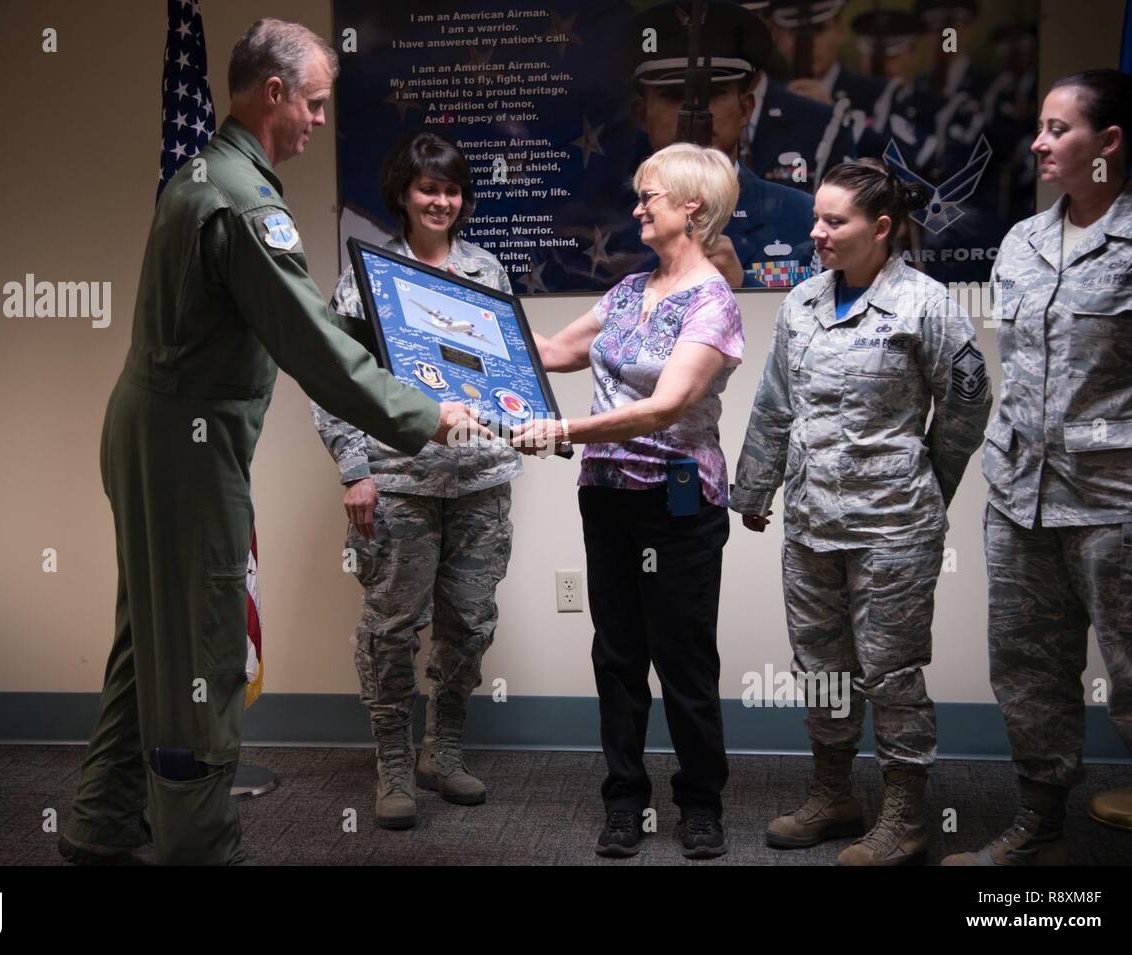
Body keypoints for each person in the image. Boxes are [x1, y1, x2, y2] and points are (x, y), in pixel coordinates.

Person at [58, 19, 489, 867]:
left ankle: (105, 817)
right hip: (187, 447)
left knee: (151, 634)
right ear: (274, 93)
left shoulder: (207, 174)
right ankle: (200, 845)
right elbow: (313, 345)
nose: (321, 121)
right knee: (202, 648)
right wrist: (424, 412)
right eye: (317, 104)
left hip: (154, 429)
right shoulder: (243, 200)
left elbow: (312, 330)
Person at [731, 158, 991, 866]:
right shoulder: (803, 302)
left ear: (880, 228)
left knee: (892, 669)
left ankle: (906, 815)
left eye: (833, 221)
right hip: (811, 523)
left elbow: (968, 402)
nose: (816, 232)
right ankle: (834, 793)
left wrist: (929, 484)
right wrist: (755, 491)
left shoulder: (927, 304)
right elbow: (774, 402)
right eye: (815, 217)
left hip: (893, 530)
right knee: (821, 664)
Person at [513, 143, 745, 859]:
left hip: (677, 503)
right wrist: (453, 315)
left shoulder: (713, 302)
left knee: (683, 662)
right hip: (608, 498)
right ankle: (624, 800)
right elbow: (550, 351)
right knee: (616, 658)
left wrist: (562, 430)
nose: (637, 207)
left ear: (691, 209)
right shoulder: (624, 293)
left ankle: (701, 803)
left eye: (649, 197)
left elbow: (665, 407)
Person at [944, 70, 1132, 866]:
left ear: (1109, 144)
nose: (1037, 143)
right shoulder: (1022, 242)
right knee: (1028, 672)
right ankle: (1039, 827)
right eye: (1038, 127)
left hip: (1121, 503)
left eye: (1057, 129)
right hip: (1021, 497)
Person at [311, 132, 520, 830]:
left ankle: (444, 746)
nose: (442, 200)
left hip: (480, 479)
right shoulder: (367, 275)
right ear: (403, 193)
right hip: (396, 478)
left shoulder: (487, 270)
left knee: (468, 623)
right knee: (393, 627)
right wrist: (353, 469)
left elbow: (509, 368)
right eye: (429, 188)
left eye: (453, 189)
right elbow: (337, 379)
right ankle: (393, 762)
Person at [632, 0, 817, 288]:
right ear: (642, 115)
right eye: (672, 95)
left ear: (745, 109)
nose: (692, 112)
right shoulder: (609, 225)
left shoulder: (802, 217)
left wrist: (743, 286)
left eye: (713, 93)